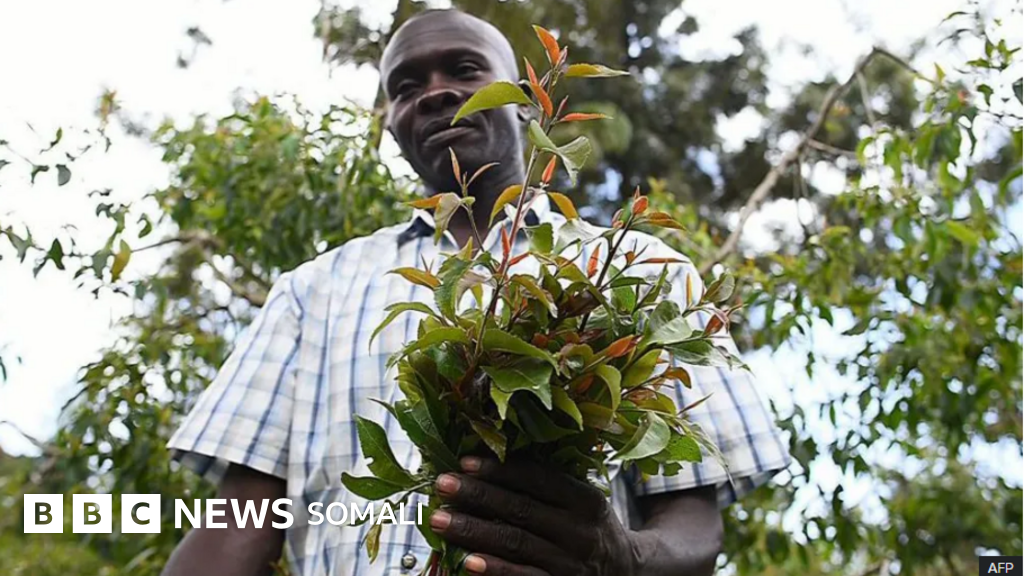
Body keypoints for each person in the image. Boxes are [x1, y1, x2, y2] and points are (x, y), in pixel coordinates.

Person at [161, 9, 790, 576]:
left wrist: (618, 557)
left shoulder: (639, 268)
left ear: (526, 102)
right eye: (405, 86)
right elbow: (240, 520)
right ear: (392, 126)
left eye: (465, 70)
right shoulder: (312, 292)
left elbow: (693, 527)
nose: (435, 93)